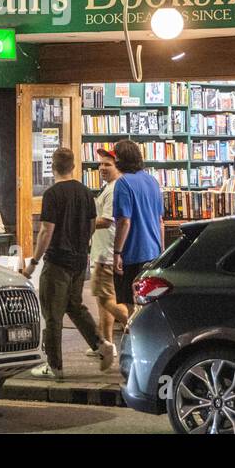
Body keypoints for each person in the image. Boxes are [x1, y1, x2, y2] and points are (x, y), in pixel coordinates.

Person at [23, 147, 113, 379]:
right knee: (74, 305)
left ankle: (54, 366)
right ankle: (100, 345)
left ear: (52, 166)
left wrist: (34, 261)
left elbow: (46, 230)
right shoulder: (86, 193)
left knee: (53, 315)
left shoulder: (52, 194)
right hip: (79, 259)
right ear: (73, 166)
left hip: (58, 261)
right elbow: (92, 223)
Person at [111, 139, 164, 309]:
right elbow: (160, 220)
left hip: (133, 252)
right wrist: (162, 250)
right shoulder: (153, 181)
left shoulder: (123, 183)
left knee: (131, 306)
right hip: (153, 252)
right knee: (149, 304)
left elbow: (124, 221)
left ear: (120, 160)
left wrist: (117, 252)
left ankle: (133, 335)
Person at [89, 148, 130, 352]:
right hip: (103, 251)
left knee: (106, 300)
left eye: (108, 164)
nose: (102, 168)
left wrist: (81, 223)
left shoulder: (115, 189)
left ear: (118, 166)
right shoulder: (109, 187)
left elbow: (107, 220)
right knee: (104, 301)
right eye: (101, 164)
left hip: (106, 252)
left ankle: (134, 324)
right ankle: (106, 344)